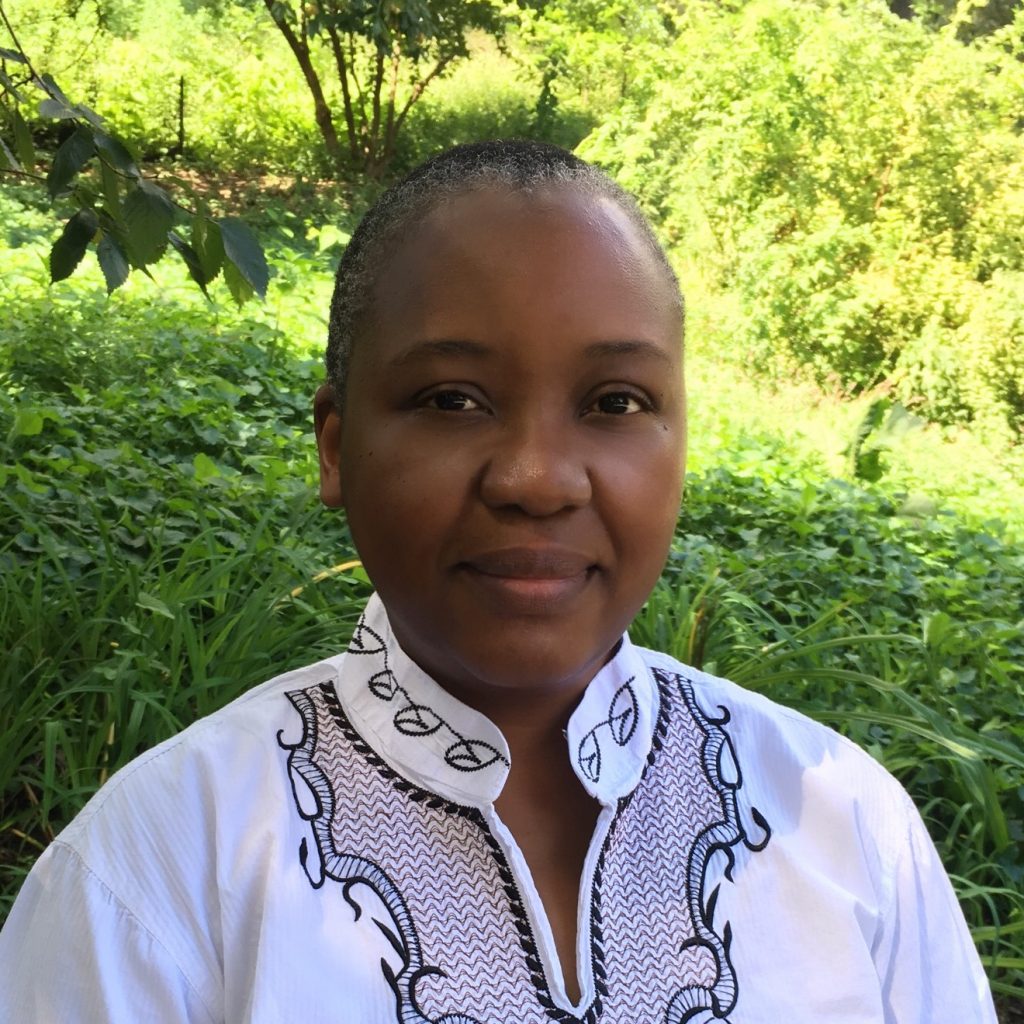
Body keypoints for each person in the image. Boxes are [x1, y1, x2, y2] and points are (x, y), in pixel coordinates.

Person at [0, 141, 996, 1023]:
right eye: (451, 399)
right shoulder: (154, 874)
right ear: (337, 446)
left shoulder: (848, 829)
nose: (537, 478)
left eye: (615, 401)